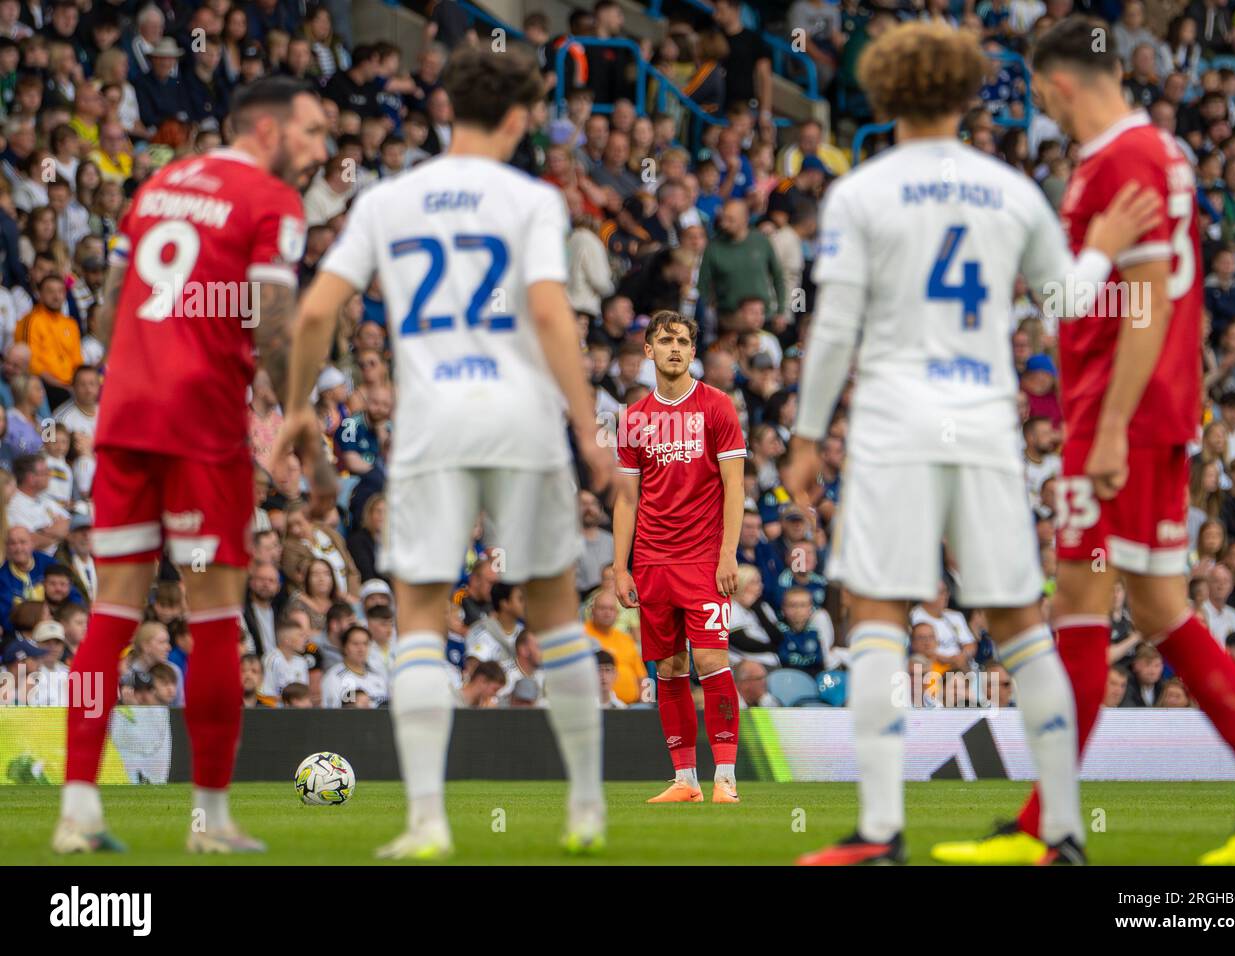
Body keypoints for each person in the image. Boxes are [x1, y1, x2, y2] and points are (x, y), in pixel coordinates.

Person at [786, 21, 1164, 867]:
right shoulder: (1011, 191)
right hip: (987, 420)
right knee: (1023, 625)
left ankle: (881, 833)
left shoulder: (862, 192)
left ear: (884, 94)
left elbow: (836, 328)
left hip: (892, 419)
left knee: (878, 614)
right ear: (967, 95)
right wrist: (1101, 252)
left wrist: (807, 437)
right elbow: (1068, 305)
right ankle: (1063, 833)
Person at [936, 16, 1235, 868]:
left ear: (1059, 85)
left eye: (1040, 93)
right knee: (1159, 608)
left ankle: (1046, 829)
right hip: (1149, 416)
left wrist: (1103, 429)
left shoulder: (1121, 162)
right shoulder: (1159, 152)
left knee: (1079, 611)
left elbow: (1144, 301)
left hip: (1120, 422)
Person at [274, 47, 610, 860]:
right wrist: (590, 425)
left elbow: (316, 309)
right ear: (522, 118)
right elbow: (550, 311)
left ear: (446, 108)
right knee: (556, 611)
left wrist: (295, 408)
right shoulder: (531, 198)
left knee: (421, 616)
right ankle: (588, 809)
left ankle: (426, 821)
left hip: (432, 425)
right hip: (520, 417)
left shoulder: (389, 199)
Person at [54, 77, 327, 856]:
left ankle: (77, 810)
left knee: (110, 616)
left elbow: (107, 310)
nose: (319, 149)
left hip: (125, 416)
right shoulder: (271, 201)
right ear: (268, 131)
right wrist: (295, 410)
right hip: (202, 426)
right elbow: (274, 322)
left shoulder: (157, 187)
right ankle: (209, 823)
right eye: (309, 132)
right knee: (213, 625)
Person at [612, 309, 747, 804]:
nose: (674, 348)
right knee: (667, 670)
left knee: (711, 660)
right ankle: (685, 779)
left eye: (683, 341)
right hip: (651, 561)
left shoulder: (717, 407)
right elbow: (626, 499)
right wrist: (620, 565)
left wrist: (728, 554)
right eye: (665, 340)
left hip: (703, 559)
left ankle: (726, 778)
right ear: (648, 350)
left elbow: (735, 487)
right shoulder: (633, 420)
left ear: (693, 352)